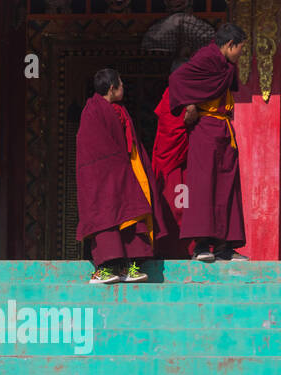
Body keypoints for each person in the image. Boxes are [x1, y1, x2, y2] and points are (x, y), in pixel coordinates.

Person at [168, 23, 247, 262]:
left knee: (227, 186)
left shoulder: (226, 65)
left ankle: (224, 246)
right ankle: (201, 246)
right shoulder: (207, 58)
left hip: (223, 130)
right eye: (240, 49)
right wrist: (190, 104)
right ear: (230, 44)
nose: (241, 54)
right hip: (204, 130)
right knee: (203, 186)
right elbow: (177, 78)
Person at [75, 68, 163, 284]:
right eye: (121, 84)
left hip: (123, 172)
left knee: (131, 213)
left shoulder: (119, 110)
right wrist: (115, 168)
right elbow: (92, 148)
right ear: (112, 88)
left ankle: (130, 268)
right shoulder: (92, 111)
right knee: (106, 217)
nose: (124, 87)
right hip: (102, 177)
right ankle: (106, 270)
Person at [151, 50, 198, 261]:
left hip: (176, 162)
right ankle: (174, 250)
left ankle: (183, 249)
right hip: (173, 164)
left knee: (182, 206)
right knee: (176, 207)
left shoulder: (177, 95)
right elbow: (175, 126)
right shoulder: (175, 96)